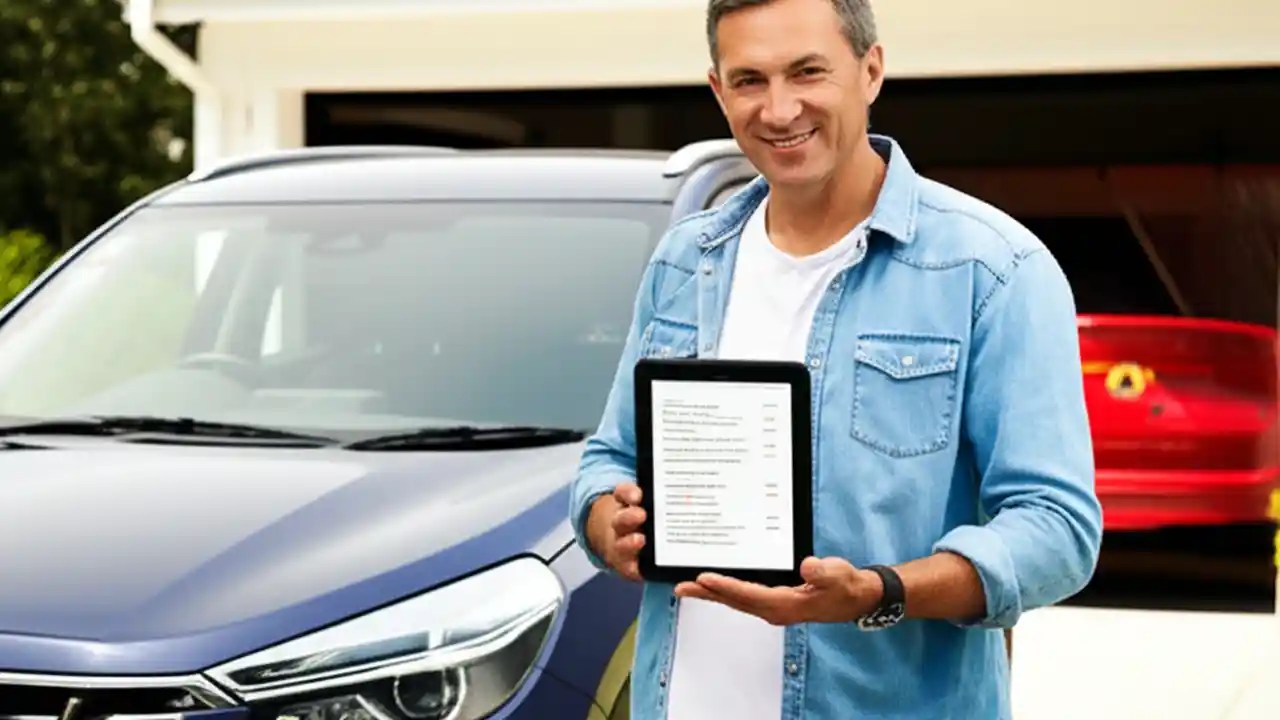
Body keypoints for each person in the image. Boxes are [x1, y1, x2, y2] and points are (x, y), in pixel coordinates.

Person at [568, 0, 1104, 717]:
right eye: (750, 79)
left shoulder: (992, 270)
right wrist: (611, 522)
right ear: (718, 91)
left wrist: (882, 592)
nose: (780, 108)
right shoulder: (684, 260)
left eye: (807, 72)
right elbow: (607, 459)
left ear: (871, 69)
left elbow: (1057, 529)